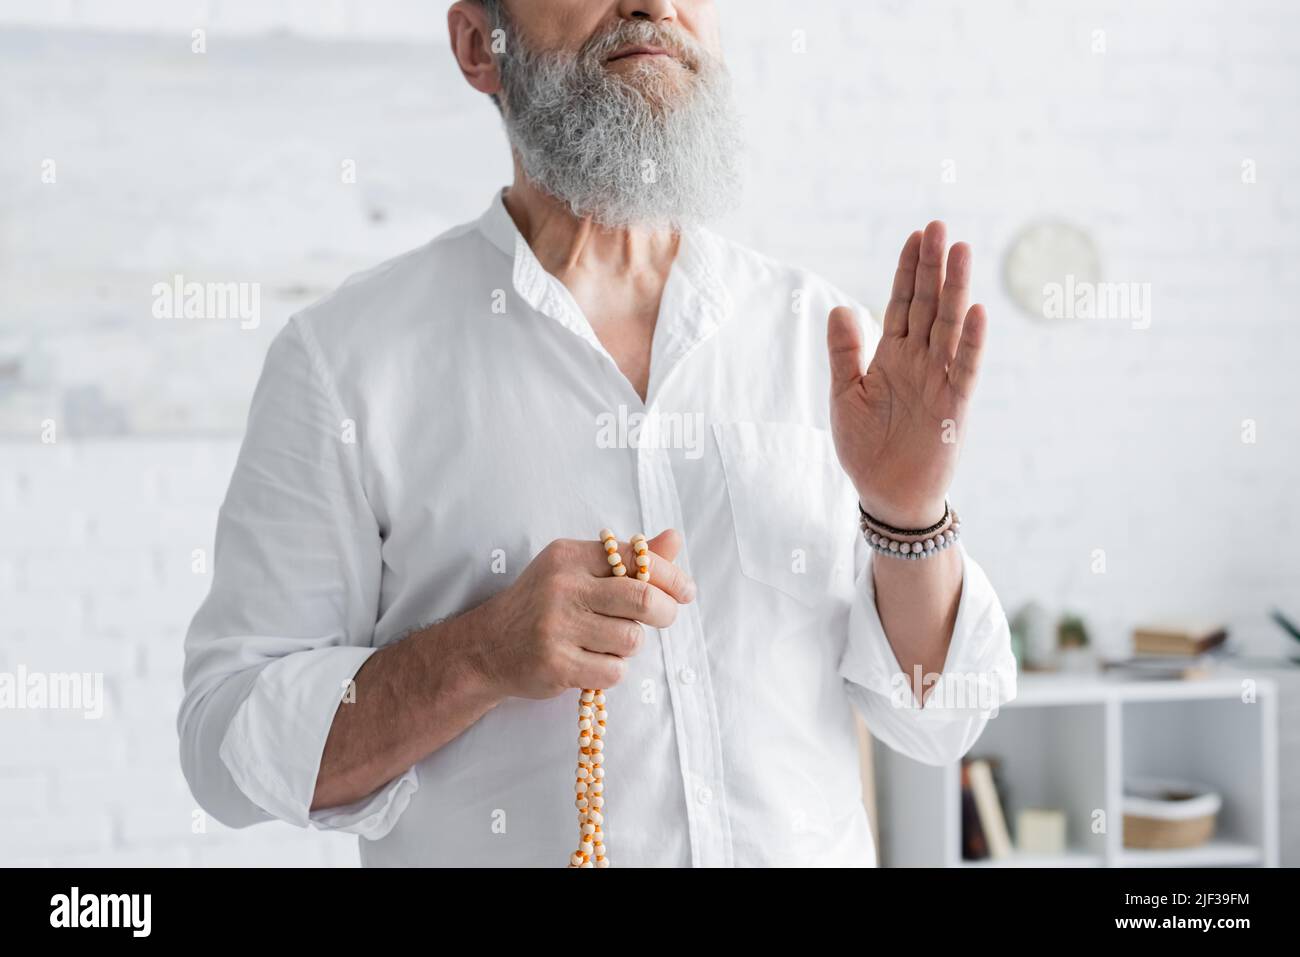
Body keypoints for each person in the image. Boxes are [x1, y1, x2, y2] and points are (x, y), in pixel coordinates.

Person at [178, 0, 1016, 867]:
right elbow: (225, 746)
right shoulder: (345, 360)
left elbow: (938, 713)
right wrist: (478, 654)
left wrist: (908, 515)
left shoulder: (818, 336)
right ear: (478, 45)